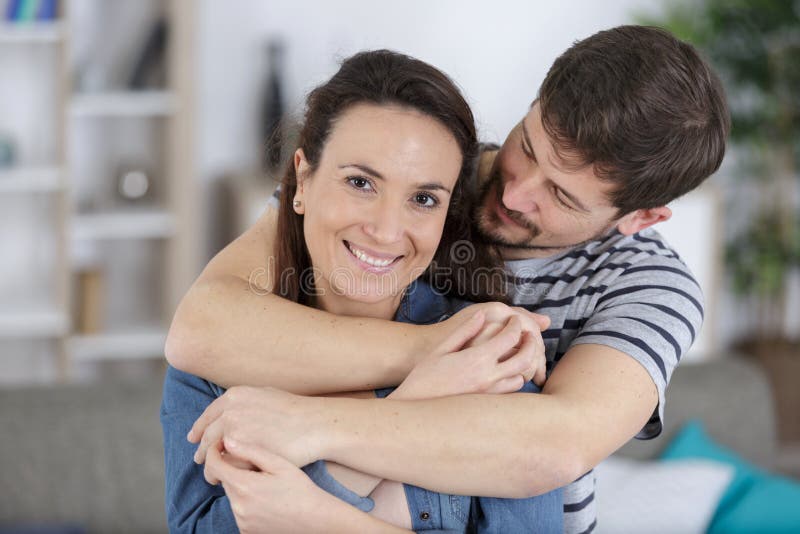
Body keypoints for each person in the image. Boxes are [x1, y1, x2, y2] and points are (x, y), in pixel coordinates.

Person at [168, 25, 730, 533]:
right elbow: (201, 329)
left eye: (560, 195)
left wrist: (311, 429)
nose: (513, 192)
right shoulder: (419, 166)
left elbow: (550, 448)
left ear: (641, 217)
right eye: (527, 146)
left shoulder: (651, 288)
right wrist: (441, 353)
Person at [161, 49, 564, 533]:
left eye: (423, 199)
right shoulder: (223, 354)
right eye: (360, 182)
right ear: (302, 180)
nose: (388, 230)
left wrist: (316, 514)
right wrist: (415, 398)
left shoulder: (492, 361)